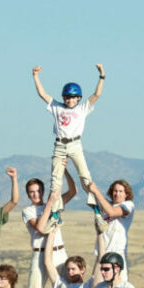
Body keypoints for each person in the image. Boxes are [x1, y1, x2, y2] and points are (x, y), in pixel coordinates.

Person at [32, 63, 105, 212]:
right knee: (55, 181)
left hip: (75, 145)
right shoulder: (57, 107)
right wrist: (35, 76)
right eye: (67, 97)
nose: (69, 100)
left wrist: (101, 75)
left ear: (78, 98)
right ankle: (55, 213)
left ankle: (96, 210)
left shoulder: (83, 108)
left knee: (85, 177)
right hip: (59, 146)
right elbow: (42, 94)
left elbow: (97, 94)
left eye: (72, 97)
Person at [21, 171, 76, 288]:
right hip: (40, 254)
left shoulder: (55, 205)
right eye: (32, 192)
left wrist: (64, 171)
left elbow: (72, 191)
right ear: (28, 194)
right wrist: (50, 204)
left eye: (38, 190)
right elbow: (40, 227)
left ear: (43, 191)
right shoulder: (28, 211)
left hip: (59, 253)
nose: (36, 194)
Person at [86, 179, 135, 282]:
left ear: (126, 194)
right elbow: (89, 190)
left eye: (121, 191)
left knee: (118, 286)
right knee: (96, 285)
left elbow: (111, 212)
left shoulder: (128, 205)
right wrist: (89, 184)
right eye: (115, 191)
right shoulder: (105, 204)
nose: (117, 194)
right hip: (102, 253)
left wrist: (96, 191)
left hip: (117, 254)